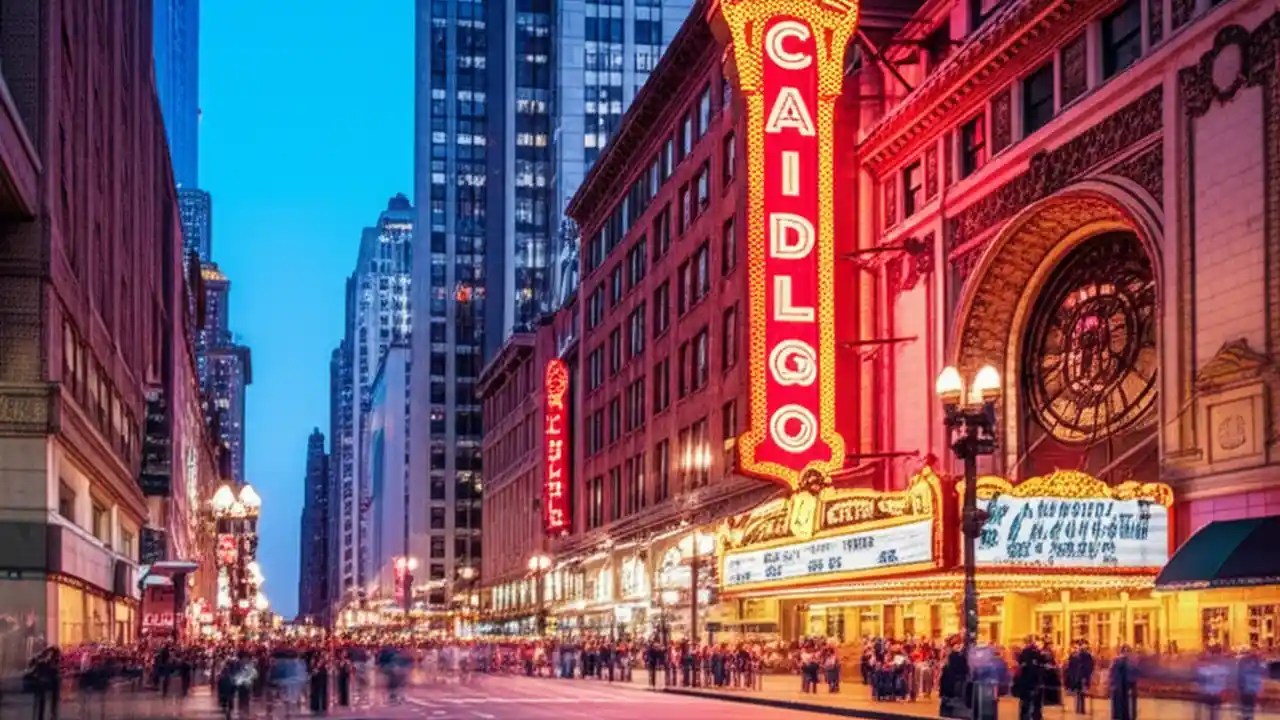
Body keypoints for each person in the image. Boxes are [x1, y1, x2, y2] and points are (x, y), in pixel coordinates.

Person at [1108, 646, 1138, 720]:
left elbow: (1133, 672)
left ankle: (1125, 716)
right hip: (1119, 685)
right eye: (1125, 652)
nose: (1126, 653)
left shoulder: (1129, 662)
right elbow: (1112, 672)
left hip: (1125, 685)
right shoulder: (1117, 661)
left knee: (1125, 703)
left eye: (1127, 652)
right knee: (1119, 703)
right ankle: (1120, 716)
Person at [1065, 642, 1095, 715]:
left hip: (1080, 677)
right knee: (1080, 693)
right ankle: (1080, 709)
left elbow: (1089, 667)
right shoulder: (1077, 656)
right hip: (1079, 677)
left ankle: (1080, 709)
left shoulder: (1084, 657)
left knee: (1080, 693)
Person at [1238, 647, 1266, 720]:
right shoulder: (1256, 661)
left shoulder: (1244, 660)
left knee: (1247, 705)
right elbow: (1261, 673)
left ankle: (1247, 717)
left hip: (1246, 687)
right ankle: (1248, 717)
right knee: (1249, 706)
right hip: (1249, 687)